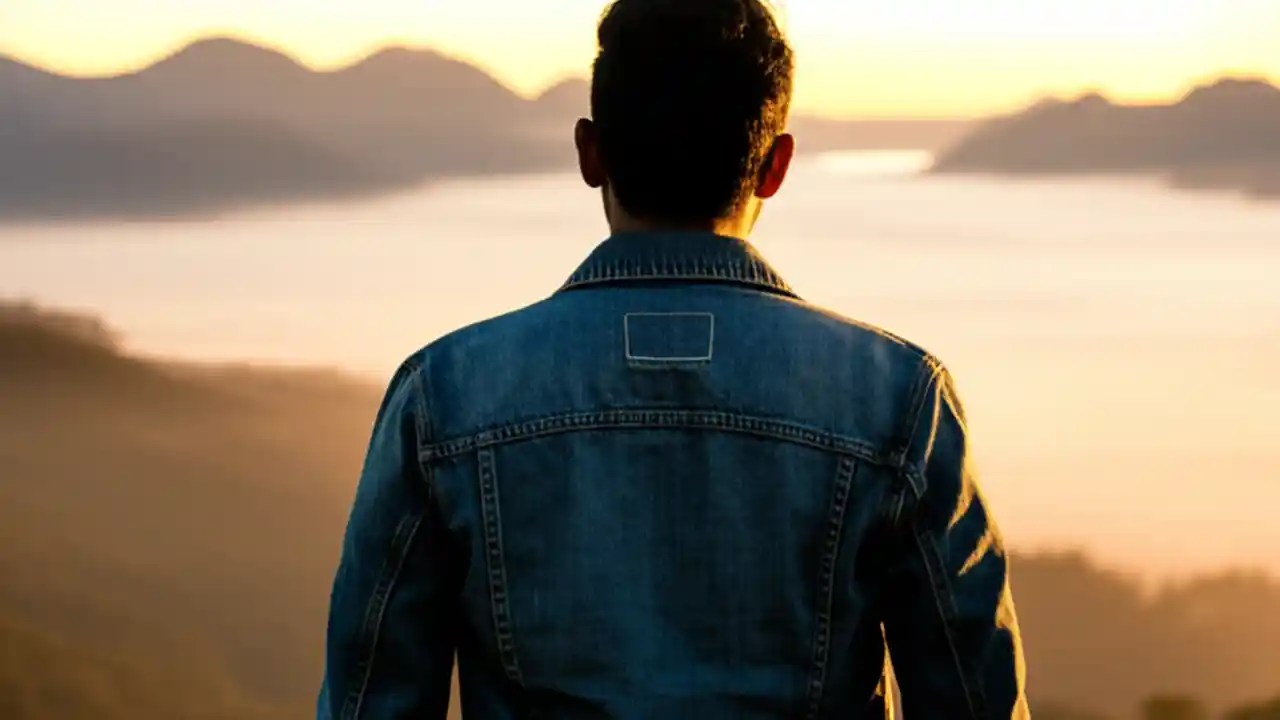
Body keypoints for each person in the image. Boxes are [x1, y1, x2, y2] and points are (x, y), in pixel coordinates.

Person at [319, 0, 1029, 717]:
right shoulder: (900, 404)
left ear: (590, 153)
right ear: (775, 165)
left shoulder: (444, 399)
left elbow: (369, 702)